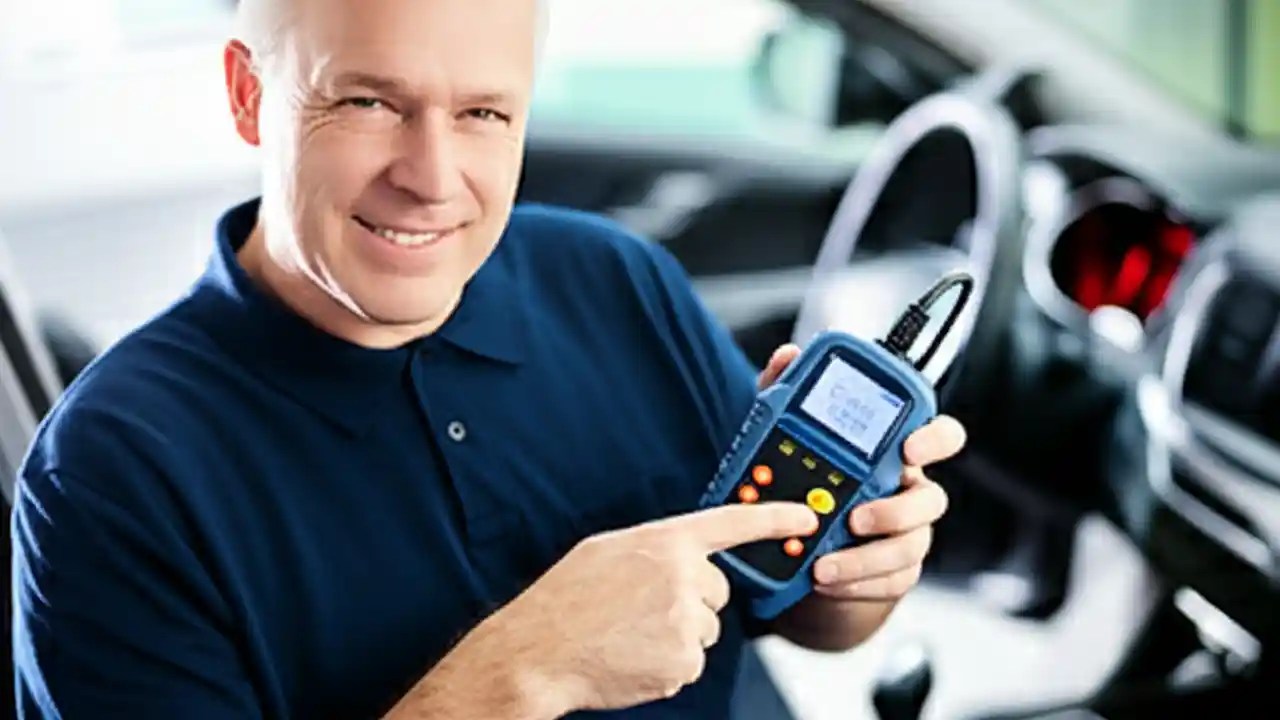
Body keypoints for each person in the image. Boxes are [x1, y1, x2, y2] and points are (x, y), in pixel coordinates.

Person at [11, 0, 966, 717]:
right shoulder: (110, 475)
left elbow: (792, 609)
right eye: (369, 101)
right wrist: (523, 672)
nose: (431, 179)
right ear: (249, 94)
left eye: (482, 114)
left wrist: (860, 575)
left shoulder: (615, 279)